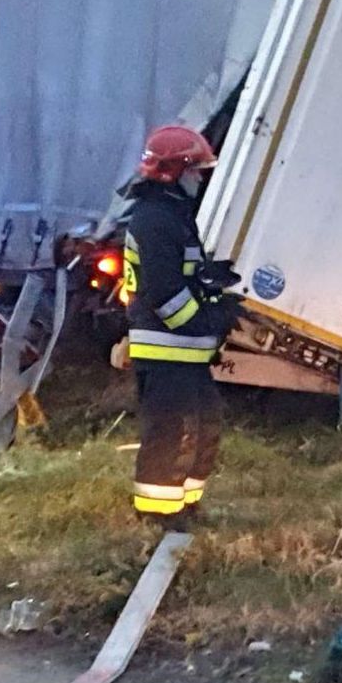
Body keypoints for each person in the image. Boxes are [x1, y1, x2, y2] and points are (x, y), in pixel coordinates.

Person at [123, 125, 240, 522]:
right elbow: (166, 294)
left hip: (185, 350)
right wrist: (211, 319)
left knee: (201, 428)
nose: (201, 179)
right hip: (166, 348)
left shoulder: (172, 215)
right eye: (196, 171)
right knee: (171, 432)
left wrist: (211, 280)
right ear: (175, 171)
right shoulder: (155, 219)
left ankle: (185, 506)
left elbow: (182, 275)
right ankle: (157, 515)